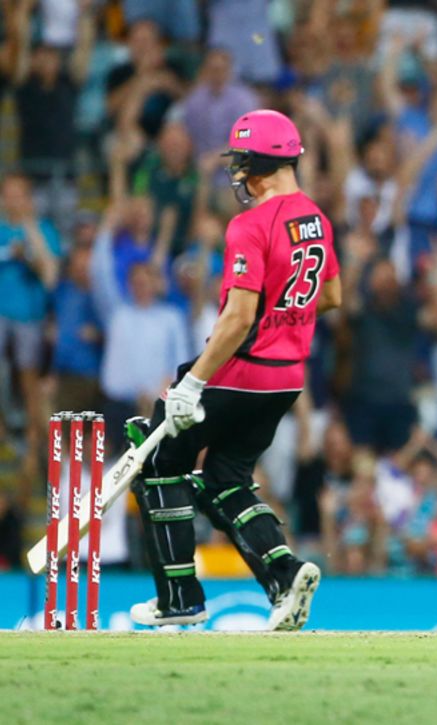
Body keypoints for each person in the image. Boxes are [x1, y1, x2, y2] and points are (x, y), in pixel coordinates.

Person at [125, 110, 341, 631]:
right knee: (225, 477)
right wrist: (283, 320)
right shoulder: (314, 217)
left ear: (261, 161)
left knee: (155, 463)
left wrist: (192, 382)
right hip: (286, 377)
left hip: (240, 371)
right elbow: (331, 296)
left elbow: (238, 316)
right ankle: (285, 576)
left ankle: (179, 600)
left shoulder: (250, 224)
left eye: (242, 161)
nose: (238, 172)